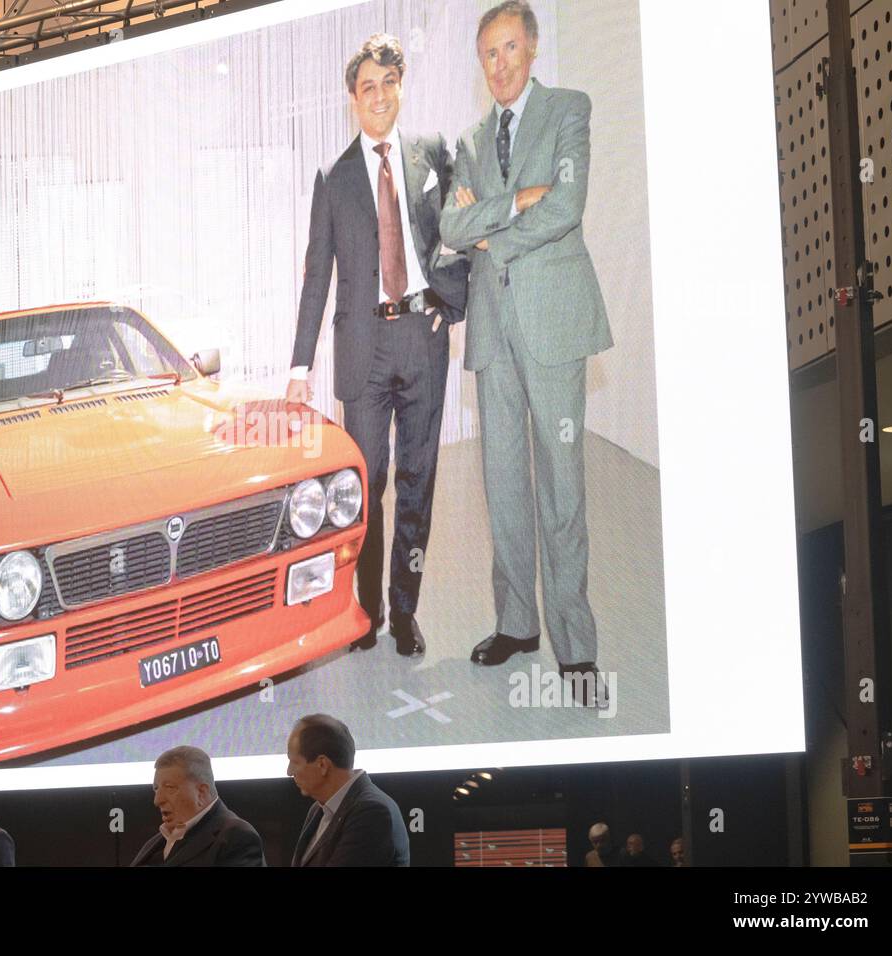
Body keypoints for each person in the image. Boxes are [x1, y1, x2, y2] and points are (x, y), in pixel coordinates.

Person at [440, 1, 612, 697]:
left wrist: (494, 231)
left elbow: (567, 205)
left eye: (510, 48)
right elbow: (452, 226)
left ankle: (574, 643)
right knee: (504, 486)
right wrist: (515, 204)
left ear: (532, 49)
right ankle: (518, 622)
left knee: (561, 487)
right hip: (492, 329)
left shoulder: (570, 108)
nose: (500, 63)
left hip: (553, 321)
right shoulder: (471, 141)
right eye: (489, 53)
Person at [287, 32, 468, 657]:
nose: (380, 95)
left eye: (390, 82)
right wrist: (298, 366)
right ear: (352, 98)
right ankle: (367, 610)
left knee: (418, 480)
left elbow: (459, 228)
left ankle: (406, 612)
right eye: (368, 86)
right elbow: (317, 277)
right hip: (363, 352)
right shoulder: (333, 179)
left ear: (401, 87)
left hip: (423, 337)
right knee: (367, 485)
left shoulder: (431, 154)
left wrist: (450, 299)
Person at [287, 713, 408, 866]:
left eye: (294, 762)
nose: (289, 771)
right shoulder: (318, 810)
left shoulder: (372, 812)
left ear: (322, 764)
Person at [130, 745, 265, 867]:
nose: (157, 800)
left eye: (170, 788)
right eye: (156, 789)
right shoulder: (154, 843)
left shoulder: (237, 837)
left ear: (201, 793)